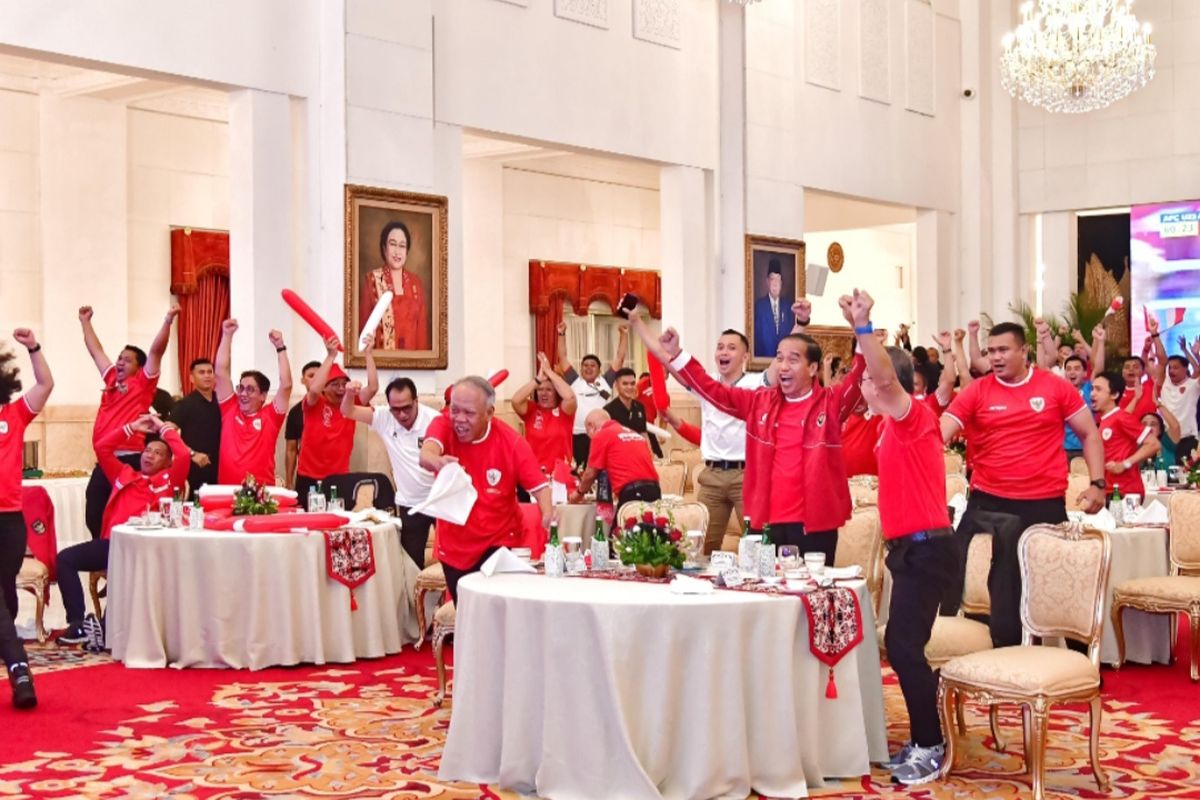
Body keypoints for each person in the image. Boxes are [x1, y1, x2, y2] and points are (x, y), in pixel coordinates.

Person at [632, 305, 860, 563]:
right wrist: (676, 353)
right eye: (779, 358)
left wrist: (861, 328)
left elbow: (861, 377)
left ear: (812, 368)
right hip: (765, 518)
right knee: (761, 589)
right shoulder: (760, 402)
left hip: (812, 522)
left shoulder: (827, 403)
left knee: (810, 593)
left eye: (793, 360)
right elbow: (712, 390)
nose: (783, 366)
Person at [840, 289, 955, 785]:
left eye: (868, 378)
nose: (864, 384)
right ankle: (926, 735)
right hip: (911, 549)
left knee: (906, 646)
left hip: (929, 549)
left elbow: (885, 375)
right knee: (904, 645)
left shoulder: (912, 418)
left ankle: (931, 744)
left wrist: (864, 328)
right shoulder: (889, 426)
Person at [940, 321, 1106, 647]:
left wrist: (1097, 483)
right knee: (961, 566)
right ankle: (982, 648)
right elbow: (939, 435)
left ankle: (1077, 657)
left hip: (1043, 500)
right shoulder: (977, 390)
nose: (996, 357)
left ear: (1024, 351)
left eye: (1004, 350)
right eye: (991, 351)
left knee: (1055, 579)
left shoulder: (1055, 387)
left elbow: (1089, 434)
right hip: (989, 501)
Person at [56, 414, 189, 652]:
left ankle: (105, 630)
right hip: (112, 545)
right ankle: (77, 624)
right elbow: (102, 448)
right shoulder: (124, 474)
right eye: (148, 450)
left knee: (123, 571)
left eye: (158, 453)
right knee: (65, 559)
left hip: (145, 549)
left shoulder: (169, 481)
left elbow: (184, 455)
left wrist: (162, 427)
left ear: (168, 462)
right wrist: (132, 427)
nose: (150, 455)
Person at [419, 376, 551, 602]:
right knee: (467, 613)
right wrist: (436, 460)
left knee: (494, 613)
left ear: (489, 413)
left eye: (469, 413)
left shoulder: (510, 442)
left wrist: (548, 513)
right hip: (454, 547)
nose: (459, 419)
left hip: (498, 543)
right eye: (455, 410)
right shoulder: (443, 424)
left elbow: (539, 486)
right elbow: (427, 452)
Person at [80, 304, 178, 540]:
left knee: (125, 515)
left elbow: (156, 352)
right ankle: (102, 557)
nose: (120, 363)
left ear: (139, 367)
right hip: (105, 460)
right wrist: (85, 322)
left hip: (130, 461)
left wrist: (167, 321)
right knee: (93, 513)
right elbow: (96, 351)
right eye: (119, 358)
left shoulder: (143, 384)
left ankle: (122, 557)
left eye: (127, 360)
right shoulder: (112, 378)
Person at [0, 328, 52, 709]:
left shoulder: (13, 414)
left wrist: (33, 347)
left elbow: (46, 383)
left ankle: (12, 660)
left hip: (10, 521)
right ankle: (20, 670)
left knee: (6, 597)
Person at [677, 327, 764, 553]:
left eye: (732, 348)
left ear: (745, 357)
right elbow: (676, 368)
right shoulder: (708, 384)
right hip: (712, 475)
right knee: (701, 546)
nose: (724, 352)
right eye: (720, 347)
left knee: (756, 545)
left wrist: (801, 322)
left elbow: (783, 361)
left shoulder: (756, 383)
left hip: (746, 475)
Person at [341, 377, 437, 567]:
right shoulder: (385, 417)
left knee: (452, 559)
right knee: (410, 564)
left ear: (417, 401)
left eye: (407, 408)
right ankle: (412, 598)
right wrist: (349, 394)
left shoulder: (435, 421)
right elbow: (347, 411)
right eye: (396, 409)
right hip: (410, 503)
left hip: (439, 500)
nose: (401, 415)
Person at [213, 320, 293, 487]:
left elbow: (286, 385)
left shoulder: (271, 416)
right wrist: (227, 335)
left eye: (250, 389)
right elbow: (220, 371)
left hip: (261, 493)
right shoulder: (230, 408)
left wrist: (280, 347)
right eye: (241, 388)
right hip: (227, 490)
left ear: (263, 395)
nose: (243, 394)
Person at [296, 337, 377, 500]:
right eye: (335, 384)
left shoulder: (350, 402)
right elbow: (313, 390)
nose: (341, 389)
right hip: (309, 476)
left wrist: (369, 354)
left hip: (339, 477)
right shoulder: (315, 403)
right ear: (324, 386)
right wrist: (331, 355)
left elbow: (373, 388)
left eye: (343, 384)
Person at [556, 320, 627, 469]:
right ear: (581, 368)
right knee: (577, 471)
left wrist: (624, 335)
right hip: (577, 436)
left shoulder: (606, 382)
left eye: (592, 366)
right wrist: (561, 334)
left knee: (599, 471)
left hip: (600, 436)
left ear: (599, 369)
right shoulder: (575, 381)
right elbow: (562, 358)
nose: (589, 368)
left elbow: (619, 359)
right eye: (585, 365)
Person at [361, 220, 430, 351]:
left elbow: (422, 335)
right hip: (381, 365)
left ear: (407, 251)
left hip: (415, 367)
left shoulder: (416, 283)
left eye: (402, 246)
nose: (397, 252)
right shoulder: (372, 281)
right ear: (384, 248)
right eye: (393, 244)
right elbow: (364, 331)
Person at [1090, 372, 1160, 499]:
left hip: (1125, 491)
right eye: (1092, 389)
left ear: (1114, 394)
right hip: (1109, 489)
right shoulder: (1106, 420)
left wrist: (1125, 464)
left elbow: (1153, 444)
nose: (1092, 394)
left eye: (1098, 389)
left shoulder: (1121, 417)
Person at [572, 409, 661, 508]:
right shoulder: (633, 433)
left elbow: (590, 473)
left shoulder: (602, 435)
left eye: (588, 433)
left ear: (591, 426)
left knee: (624, 523)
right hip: (654, 489)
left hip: (633, 491)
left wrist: (579, 493)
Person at [511, 352, 577, 479]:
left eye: (549, 390)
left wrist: (549, 372)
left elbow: (570, 397)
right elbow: (515, 401)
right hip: (534, 472)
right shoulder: (531, 410)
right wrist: (537, 380)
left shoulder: (564, 411)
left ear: (556, 392)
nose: (543, 394)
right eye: (540, 390)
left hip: (561, 474)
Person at [168, 357, 221, 498]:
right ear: (192, 378)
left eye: (210, 372)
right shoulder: (185, 404)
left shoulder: (222, 400)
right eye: (201, 372)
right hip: (197, 469)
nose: (207, 375)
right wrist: (191, 453)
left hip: (223, 469)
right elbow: (166, 432)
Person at [1151, 333, 1199, 465]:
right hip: (1167, 438)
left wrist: (1195, 355)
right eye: (1170, 368)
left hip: (1187, 438)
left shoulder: (1193, 385)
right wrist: (1155, 335)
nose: (1171, 370)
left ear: (1185, 369)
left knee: (1185, 475)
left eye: (1176, 367)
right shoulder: (1165, 383)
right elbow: (1162, 360)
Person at [604, 367, 662, 458]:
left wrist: (650, 454)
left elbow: (643, 433)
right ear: (616, 386)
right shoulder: (608, 410)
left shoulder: (640, 407)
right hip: (619, 457)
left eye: (632, 383)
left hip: (638, 455)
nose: (629, 387)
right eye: (625, 384)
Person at [283, 360, 321, 490]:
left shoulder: (336, 407)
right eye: (311, 376)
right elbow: (291, 450)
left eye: (319, 376)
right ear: (303, 380)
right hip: (306, 476)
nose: (315, 380)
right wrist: (289, 481)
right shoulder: (295, 412)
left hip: (333, 474)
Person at [753, 258, 793, 358]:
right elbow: (757, 339)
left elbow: (791, 337)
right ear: (767, 282)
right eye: (772, 279)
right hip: (764, 361)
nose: (775, 284)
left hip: (784, 361)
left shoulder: (788, 306)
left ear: (781, 283)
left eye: (778, 279)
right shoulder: (759, 306)